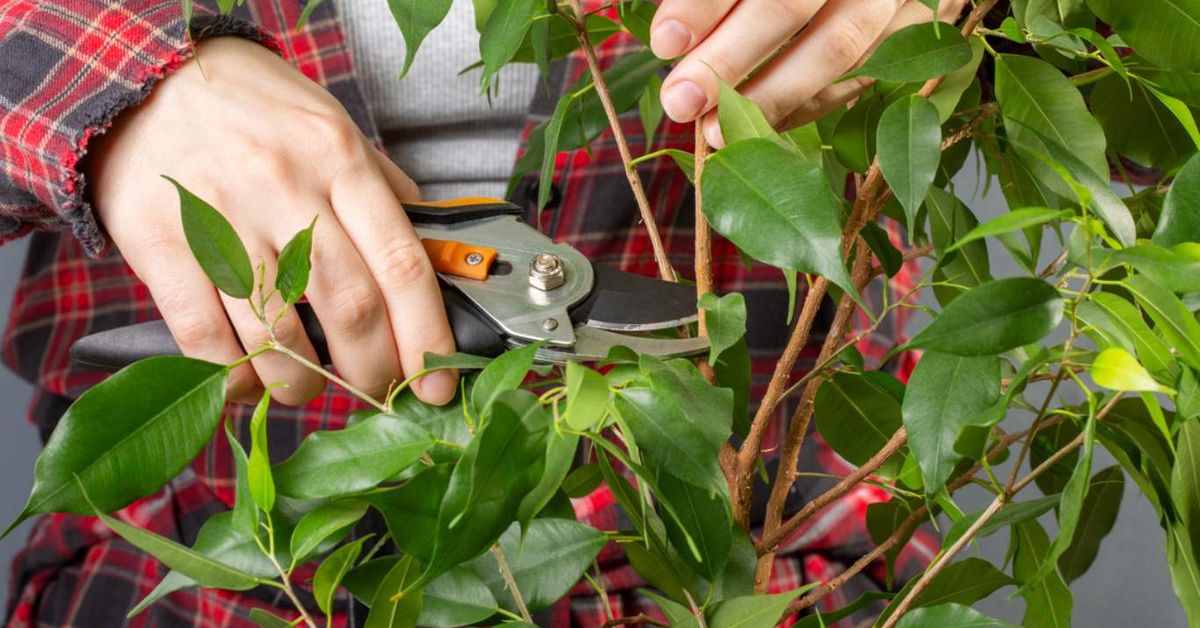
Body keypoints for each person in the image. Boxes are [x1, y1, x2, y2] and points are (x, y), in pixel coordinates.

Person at [0, 0, 960, 624]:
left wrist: (968, 21)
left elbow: (1104, 86)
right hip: (209, 582)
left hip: (769, 570)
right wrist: (108, 83)